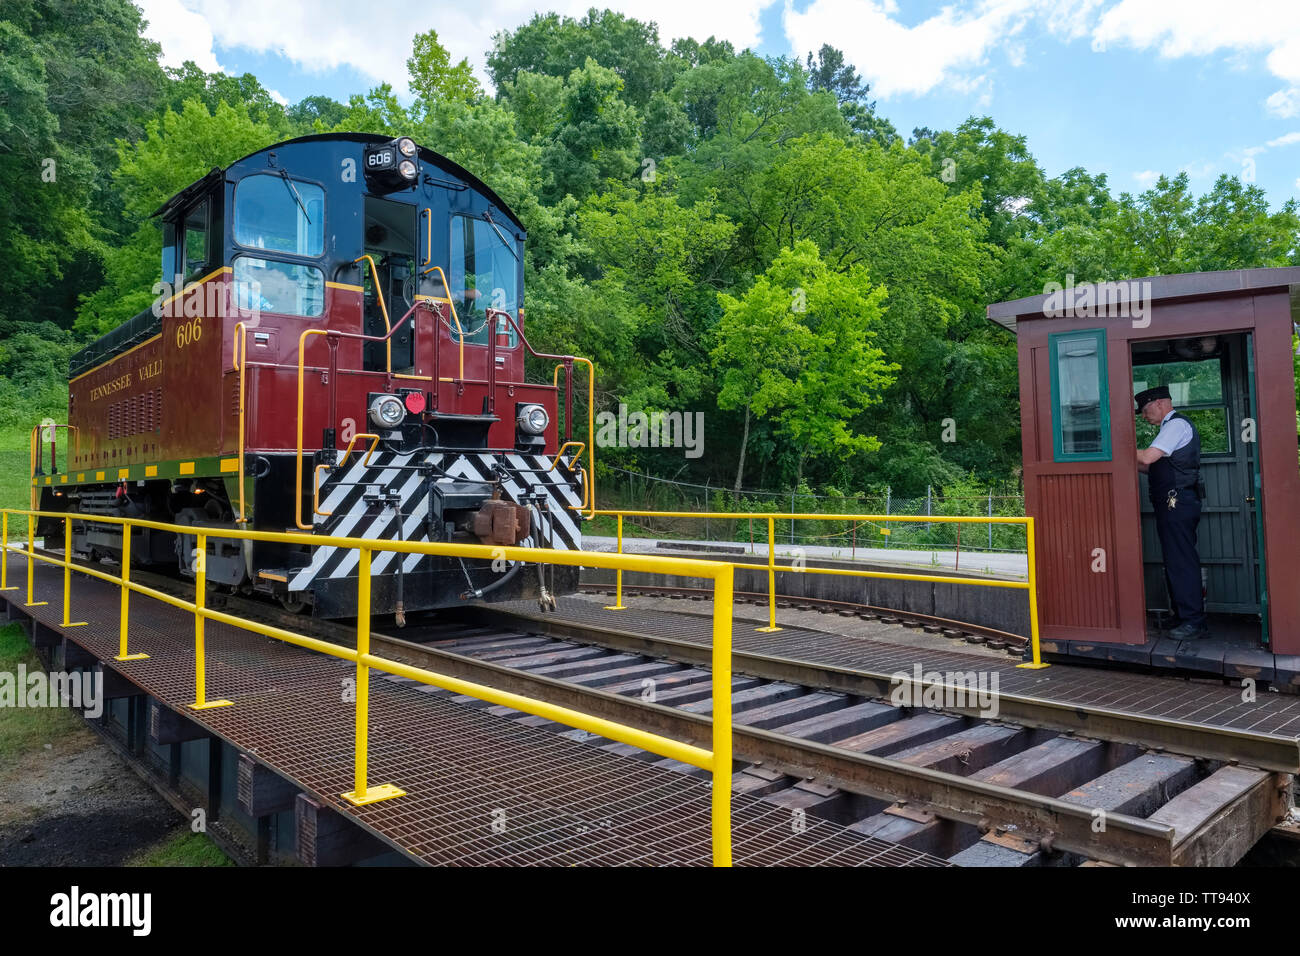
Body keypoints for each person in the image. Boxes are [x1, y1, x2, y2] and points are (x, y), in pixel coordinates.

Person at [1135, 385, 1208, 640]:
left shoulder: (1175, 425)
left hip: (1177, 502)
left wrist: (1117, 453)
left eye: (1145, 410)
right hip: (1173, 503)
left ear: (1159, 403)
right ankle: (1182, 615)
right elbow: (1152, 467)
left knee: (1181, 560)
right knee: (1175, 559)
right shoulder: (1170, 428)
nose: (1144, 416)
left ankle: (1193, 622)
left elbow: (1148, 458)